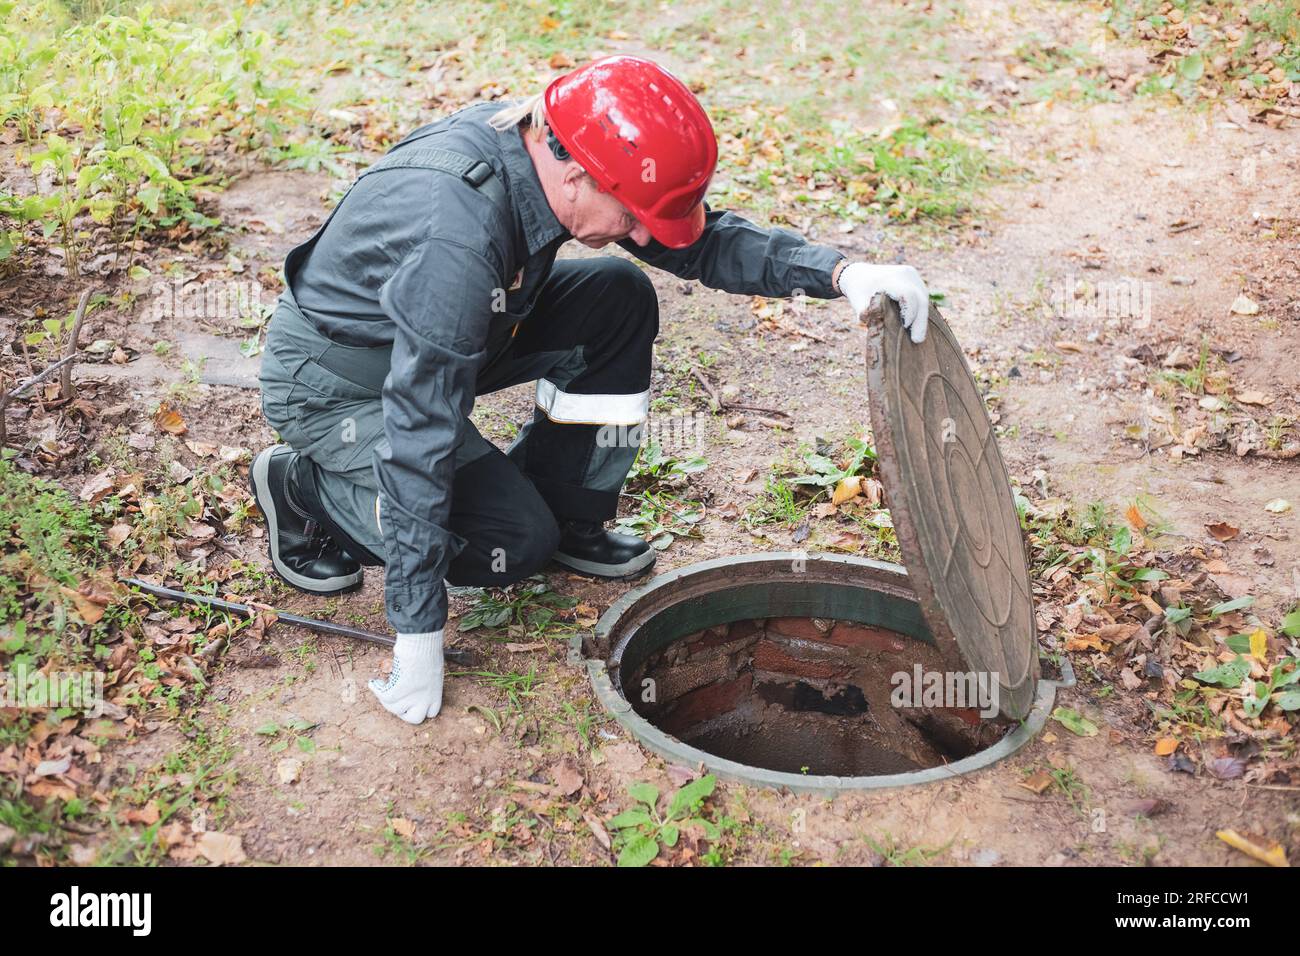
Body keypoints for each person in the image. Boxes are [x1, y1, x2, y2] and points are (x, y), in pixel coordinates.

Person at [251, 54, 930, 725]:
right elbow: (421, 423)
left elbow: (697, 245)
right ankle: (301, 491)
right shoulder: (456, 235)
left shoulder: (551, 158)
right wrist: (419, 629)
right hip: (343, 385)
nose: (639, 235)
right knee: (512, 540)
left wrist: (840, 273)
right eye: (633, 217)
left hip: (462, 331)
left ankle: (568, 510)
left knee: (618, 297)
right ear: (574, 172)